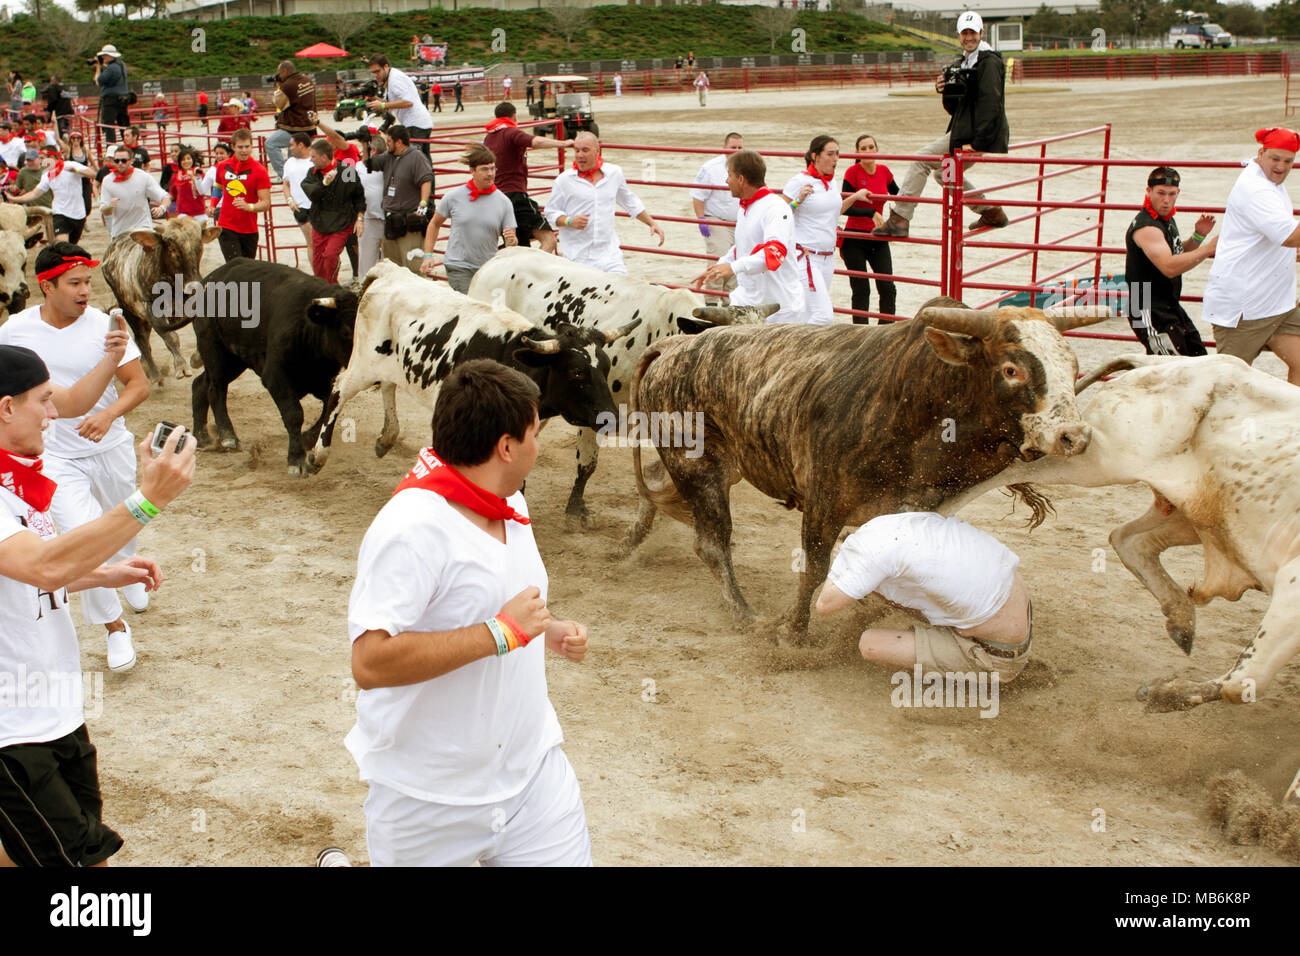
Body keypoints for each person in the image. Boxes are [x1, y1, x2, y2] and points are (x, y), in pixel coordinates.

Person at [346, 358, 591, 867]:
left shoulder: (509, 503)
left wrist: (548, 628)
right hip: (428, 802)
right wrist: (500, 632)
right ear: (506, 447)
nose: (538, 447)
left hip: (533, 779)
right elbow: (369, 663)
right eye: (534, 434)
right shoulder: (411, 528)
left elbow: (502, 595)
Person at [0, 337, 195, 868]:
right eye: (44, 400)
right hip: (12, 731)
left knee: (44, 853)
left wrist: (100, 573)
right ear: (7, 407)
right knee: (79, 862)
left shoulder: (14, 481)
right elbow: (42, 566)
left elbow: (29, 575)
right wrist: (148, 501)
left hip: (53, 710)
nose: (53, 413)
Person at [0, 243, 163, 675]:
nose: (85, 291)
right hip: (52, 455)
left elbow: (136, 386)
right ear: (46, 286)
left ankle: (124, 567)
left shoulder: (107, 328)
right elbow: (61, 405)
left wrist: (108, 415)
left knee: (120, 524)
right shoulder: (14, 331)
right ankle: (115, 627)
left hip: (108, 450)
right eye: (74, 283)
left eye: (88, 282)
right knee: (84, 530)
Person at [815, 512, 1033, 685]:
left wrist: (836, 567)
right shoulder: (886, 525)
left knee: (870, 644)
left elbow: (825, 606)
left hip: (1000, 655)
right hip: (1018, 608)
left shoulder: (871, 560)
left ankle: (972, 675)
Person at [876, 11, 1009, 238]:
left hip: (977, 134)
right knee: (943, 175)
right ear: (959, 35)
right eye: (964, 33)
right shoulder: (963, 62)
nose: (969, 37)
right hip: (965, 130)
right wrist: (946, 89)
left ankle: (900, 218)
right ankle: (992, 212)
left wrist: (978, 143)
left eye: (973, 32)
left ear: (981, 33)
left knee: (921, 160)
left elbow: (991, 103)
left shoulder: (989, 62)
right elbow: (955, 110)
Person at [1202, 127, 1300, 385]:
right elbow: (1289, 237)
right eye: (1275, 158)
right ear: (1261, 153)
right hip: (1244, 308)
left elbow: (1279, 237)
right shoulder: (1257, 189)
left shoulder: (1269, 181)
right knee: (1226, 386)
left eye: (1288, 161)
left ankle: (1292, 424)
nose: (1281, 166)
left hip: (1279, 305)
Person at [692, 149, 804, 324]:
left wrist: (733, 267)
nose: (726, 181)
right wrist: (719, 265)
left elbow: (774, 254)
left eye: (729, 175)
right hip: (748, 300)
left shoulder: (775, 208)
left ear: (741, 179)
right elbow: (742, 246)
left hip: (778, 308)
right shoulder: (745, 208)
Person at [1124, 166, 1217, 356]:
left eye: (1172, 194)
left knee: (1197, 358)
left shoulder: (1165, 219)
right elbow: (1169, 267)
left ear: (1178, 193)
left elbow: (1176, 253)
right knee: (1173, 367)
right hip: (1145, 307)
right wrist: (1210, 248)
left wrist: (1198, 237)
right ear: (1148, 191)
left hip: (1167, 305)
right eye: (1161, 193)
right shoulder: (1148, 227)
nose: (1166, 200)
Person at [545, 131, 664, 274]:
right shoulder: (564, 180)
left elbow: (629, 201)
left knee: (621, 289)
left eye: (585, 150)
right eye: (577, 150)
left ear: (597, 151)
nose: (580, 155)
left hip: (609, 255)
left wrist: (651, 223)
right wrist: (569, 221)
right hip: (577, 257)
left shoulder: (614, 173)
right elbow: (550, 212)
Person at [783, 135, 861, 325]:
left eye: (837, 154)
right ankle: (794, 346)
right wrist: (797, 201)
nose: (835, 159)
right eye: (830, 154)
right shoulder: (799, 181)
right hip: (807, 256)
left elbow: (833, 213)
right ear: (815, 156)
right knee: (823, 315)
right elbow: (780, 215)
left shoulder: (831, 183)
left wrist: (855, 197)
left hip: (827, 257)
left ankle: (796, 351)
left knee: (807, 313)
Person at [420, 145, 517, 293]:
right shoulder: (453, 197)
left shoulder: (504, 202)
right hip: (458, 266)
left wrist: (511, 241)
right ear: (472, 171)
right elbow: (434, 223)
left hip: (488, 269)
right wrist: (428, 255)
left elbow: (512, 241)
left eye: (493, 168)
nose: (490, 173)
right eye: (484, 169)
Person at [483, 102, 572, 255]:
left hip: (496, 197)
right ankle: (533, 269)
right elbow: (536, 141)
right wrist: (564, 143)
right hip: (516, 196)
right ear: (514, 116)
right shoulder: (511, 133)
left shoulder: (489, 138)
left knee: (518, 246)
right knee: (549, 240)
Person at [840, 133, 898, 323]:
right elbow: (843, 206)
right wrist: (871, 213)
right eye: (863, 148)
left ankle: (886, 331)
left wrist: (897, 220)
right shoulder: (852, 172)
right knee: (861, 288)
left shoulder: (884, 171)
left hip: (878, 237)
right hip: (854, 239)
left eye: (871, 147)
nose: (867, 151)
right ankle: (861, 333)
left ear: (877, 149)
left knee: (887, 287)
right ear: (857, 152)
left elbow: (901, 196)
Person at [364, 124, 433, 273]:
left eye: (389, 141)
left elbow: (426, 181)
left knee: (413, 268)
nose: (386, 144)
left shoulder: (416, 157)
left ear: (399, 142)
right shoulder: (389, 157)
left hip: (408, 222)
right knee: (392, 269)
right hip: (390, 221)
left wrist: (423, 205)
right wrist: (365, 144)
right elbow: (368, 165)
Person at [301, 139, 366, 285]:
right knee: (318, 263)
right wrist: (324, 184)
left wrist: (360, 218)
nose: (311, 160)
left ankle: (331, 287)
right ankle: (326, 288)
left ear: (324, 157)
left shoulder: (347, 172)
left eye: (313, 157)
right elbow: (311, 192)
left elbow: (359, 197)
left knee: (330, 256)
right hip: (319, 223)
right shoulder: (312, 173)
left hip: (342, 223)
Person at [691, 131, 744, 305]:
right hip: (717, 219)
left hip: (739, 221)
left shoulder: (746, 166)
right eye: (733, 147)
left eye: (739, 147)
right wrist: (701, 219)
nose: (736, 150)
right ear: (724, 148)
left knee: (737, 263)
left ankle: (731, 301)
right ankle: (712, 302)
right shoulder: (711, 168)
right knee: (718, 258)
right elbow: (698, 195)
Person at [8, 148, 95, 243]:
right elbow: (35, 194)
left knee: (71, 248)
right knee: (62, 244)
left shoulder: (70, 165)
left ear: (52, 157)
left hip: (78, 214)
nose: (40, 161)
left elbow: (93, 174)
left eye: (42, 158)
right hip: (59, 213)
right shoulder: (47, 175)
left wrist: (77, 171)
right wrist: (15, 199)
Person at [211, 127, 272, 261]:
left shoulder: (260, 171)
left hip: (249, 229)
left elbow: (266, 203)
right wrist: (212, 205)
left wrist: (249, 207)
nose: (244, 150)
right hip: (226, 226)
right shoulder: (222, 166)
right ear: (232, 147)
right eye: (240, 147)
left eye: (247, 146)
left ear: (252, 146)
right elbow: (218, 187)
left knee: (247, 271)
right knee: (235, 266)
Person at [366, 55, 434, 159]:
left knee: (416, 161)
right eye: (373, 72)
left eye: (377, 71)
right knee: (422, 161)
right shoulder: (391, 78)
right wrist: (374, 99)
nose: (375, 75)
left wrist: (383, 105)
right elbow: (391, 103)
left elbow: (408, 102)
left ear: (386, 66)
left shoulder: (395, 79)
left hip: (416, 125)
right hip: (416, 123)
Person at [99, 144, 169, 240]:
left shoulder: (143, 177)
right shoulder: (107, 180)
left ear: (131, 161)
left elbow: (165, 197)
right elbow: (104, 210)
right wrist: (110, 206)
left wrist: (161, 208)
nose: (120, 163)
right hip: (120, 233)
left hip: (143, 229)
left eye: (123, 161)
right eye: (117, 161)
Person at [266, 60, 317, 182]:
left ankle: (283, 175)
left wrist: (279, 87)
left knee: (270, 143)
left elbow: (278, 102)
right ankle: (297, 178)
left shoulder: (288, 85)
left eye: (280, 72)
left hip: (295, 127)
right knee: (293, 156)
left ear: (285, 71)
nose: (279, 75)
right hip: (310, 125)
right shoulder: (308, 80)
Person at [356, 134, 388, 281]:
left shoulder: (390, 165)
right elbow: (348, 184)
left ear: (373, 150)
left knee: (390, 262)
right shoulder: (356, 166)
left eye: (363, 149)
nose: (360, 152)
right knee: (366, 262)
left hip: (389, 219)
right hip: (368, 219)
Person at [281, 131, 315, 248]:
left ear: (300, 145)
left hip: (319, 207)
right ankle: (316, 267)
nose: (290, 149)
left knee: (323, 242)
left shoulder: (315, 160)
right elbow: (285, 183)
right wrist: (289, 200)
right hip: (300, 208)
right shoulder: (289, 162)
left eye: (292, 145)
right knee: (311, 243)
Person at [93, 45, 130, 144]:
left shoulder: (111, 68)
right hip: (123, 98)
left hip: (111, 100)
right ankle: (128, 144)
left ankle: (111, 146)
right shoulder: (121, 65)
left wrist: (98, 68)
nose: (103, 57)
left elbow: (98, 81)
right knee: (123, 124)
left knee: (108, 125)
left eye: (105, 55)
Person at [168, 147, 208, 224]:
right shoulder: (176, 176)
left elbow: (202, 191)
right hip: (183, 213)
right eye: (183, 159)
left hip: (199, 212)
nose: (186, 161)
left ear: (193, 160)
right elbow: (172, 194)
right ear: (179, 162)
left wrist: (193, 178)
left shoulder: (199, 174)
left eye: (188, 158)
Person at [42, 75, 73, 140]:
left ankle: (63, 145)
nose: (51, 82)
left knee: (60, 133)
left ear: (56, 81)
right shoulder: (65, 88)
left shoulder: (53, 88)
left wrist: (48, 110)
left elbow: (53, 101)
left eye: (52, 81)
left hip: (60, 113)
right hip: (69, 112)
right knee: (67, 129)